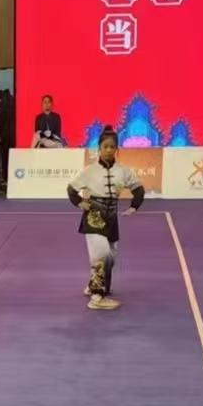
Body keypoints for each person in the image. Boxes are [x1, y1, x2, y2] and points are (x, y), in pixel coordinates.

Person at [67, 129, 145, 311]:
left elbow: (138, 189)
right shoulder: (89, 171)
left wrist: (134, 206)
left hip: (112, 219)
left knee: (111, 258)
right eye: (105, 146)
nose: (109, 150)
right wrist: (80, 203)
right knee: (101, 254)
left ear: (117, 149)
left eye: (112, 147)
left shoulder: (123, 171)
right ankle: (96, 296)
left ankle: (93, 285)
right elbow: (71, 190)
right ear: (99, 148)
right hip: (93, 217)